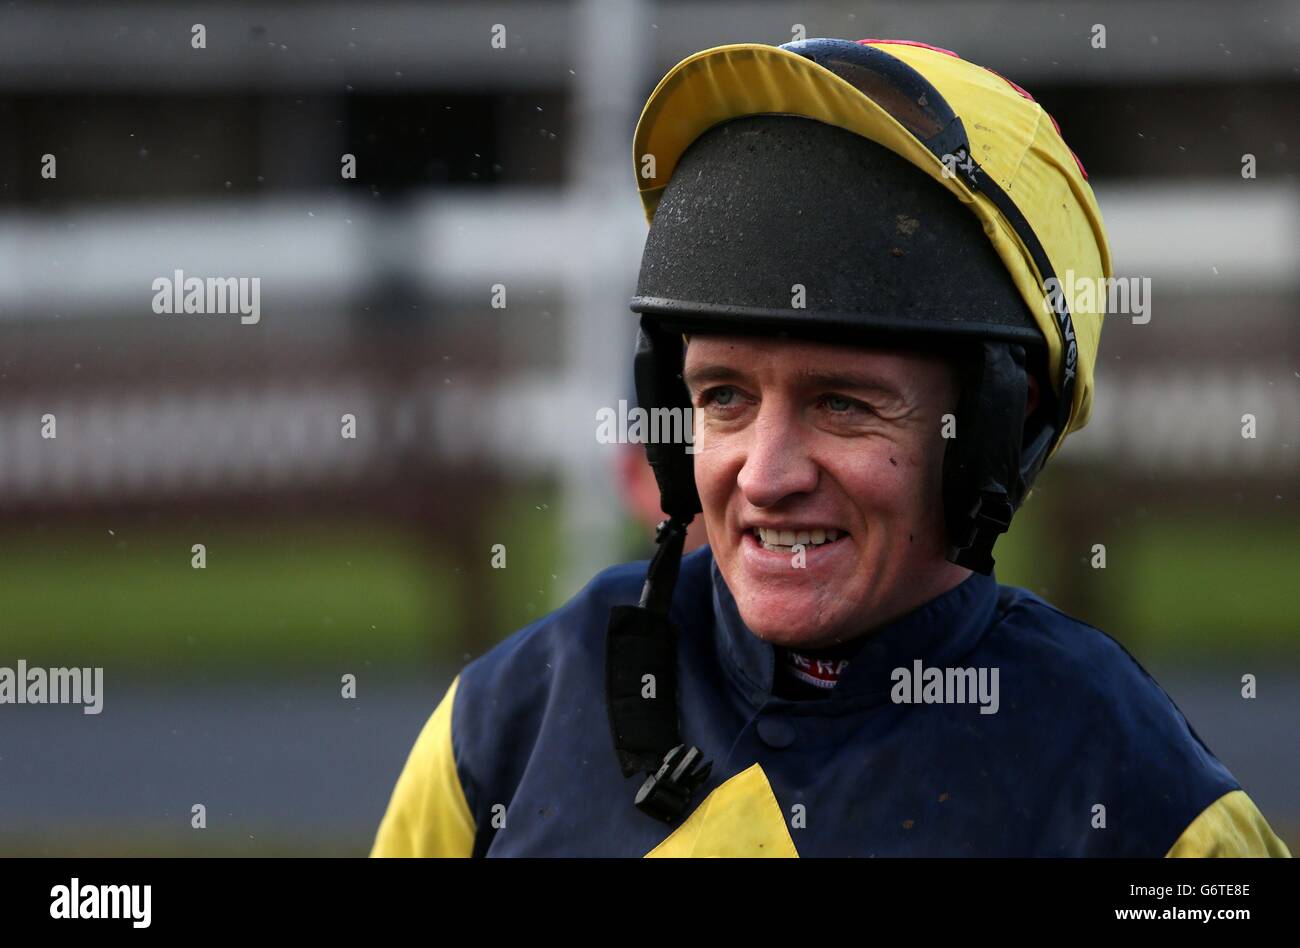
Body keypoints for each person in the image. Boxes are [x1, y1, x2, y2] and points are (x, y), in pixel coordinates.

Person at [371, 38, 1289, 857]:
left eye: (843, 405)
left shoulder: (1142, 803)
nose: (764, 476)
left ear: (997, 433)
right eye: (723, 397)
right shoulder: (506, 724)